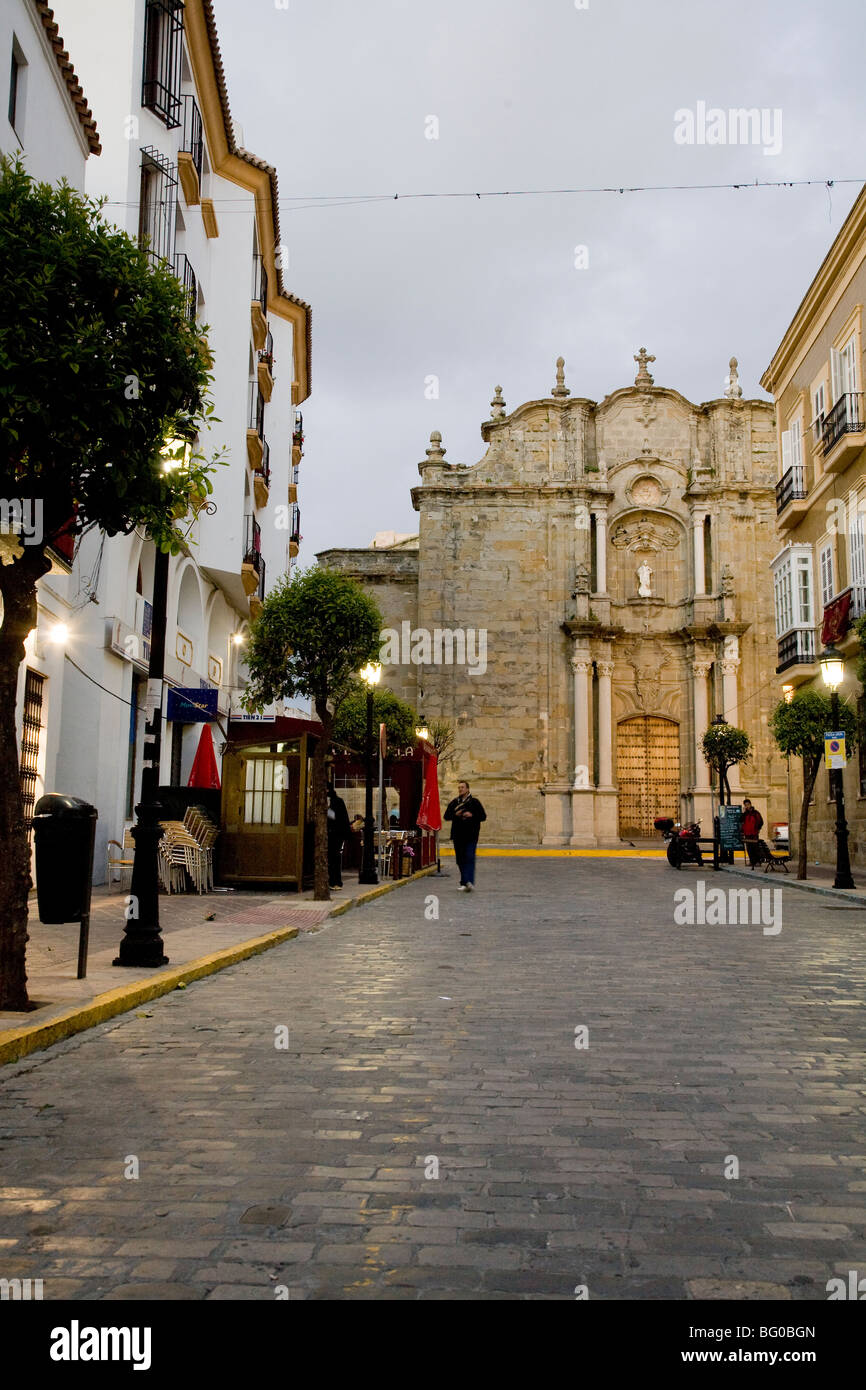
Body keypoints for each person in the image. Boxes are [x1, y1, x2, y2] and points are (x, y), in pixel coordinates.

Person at [444, 779, 487, 891]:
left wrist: (471, 815)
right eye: (459, 787)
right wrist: (455, 814)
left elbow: (483, 816)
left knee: (469, 857)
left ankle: (469, 881)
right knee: (460, 859)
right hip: (458, 836)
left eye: (462, 787)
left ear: (467, 789)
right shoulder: (455, 802)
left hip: (471, 835)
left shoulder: (475, 802)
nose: (460, 789)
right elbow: (446, 816)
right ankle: (464, 882)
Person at [327, 786, 352, 888]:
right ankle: (333, 881)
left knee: (334, 858)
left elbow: (337, 817)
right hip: (334, 834)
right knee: (333, 858)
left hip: (335, 834)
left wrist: (326, 810)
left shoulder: (337, 802)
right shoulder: (337, 801)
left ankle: (335, 881)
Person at [742, 798, 764, 869]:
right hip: (747, 834)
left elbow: (761, 822)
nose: (747, 806)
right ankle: (752, 861)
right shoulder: (745, 814)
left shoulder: (756, 813)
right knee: (749, 848)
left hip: (754, 833)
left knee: (755, 847)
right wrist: (743, 812)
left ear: (750, 804)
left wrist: (757, 829)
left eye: (748, 805)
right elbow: (740, 820)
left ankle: (758, 861)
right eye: (745, 805)